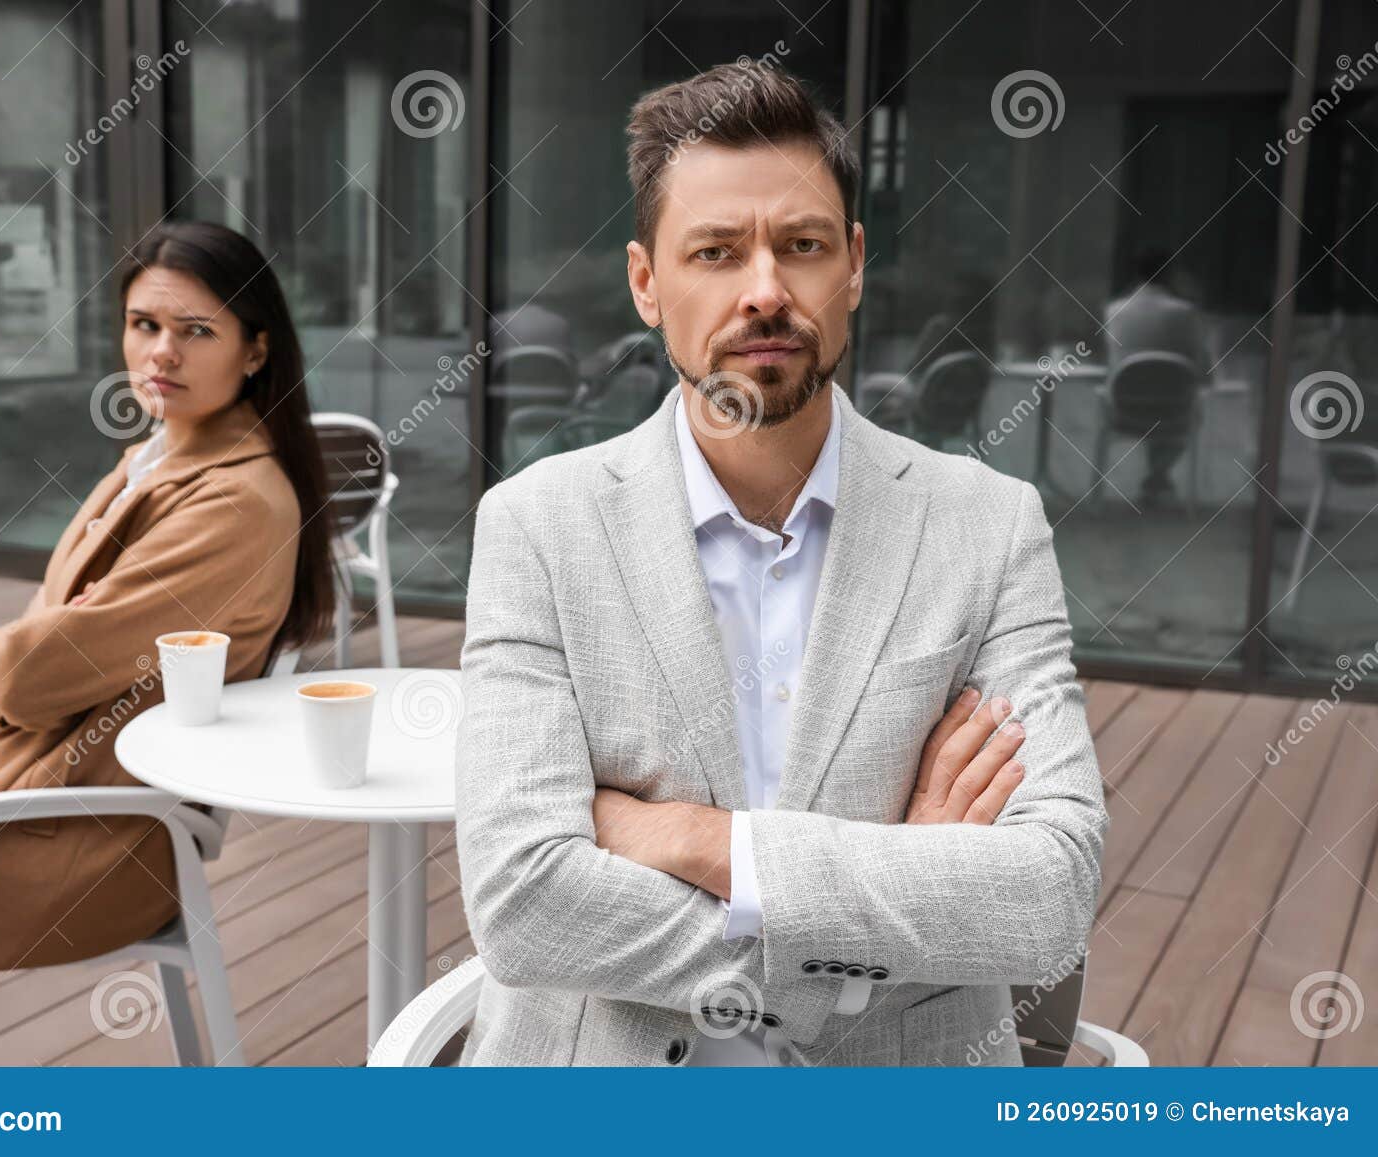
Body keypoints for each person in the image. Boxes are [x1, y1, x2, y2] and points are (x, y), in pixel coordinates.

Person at [454, 63, 1107, 1066]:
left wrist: (694, 839)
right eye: (714, 252)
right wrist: (886, 908)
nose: (764, 290)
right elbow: (524, 901)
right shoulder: (537, 526)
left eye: (798, 246)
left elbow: (1047, 896)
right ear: (644, 282)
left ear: (849, 264)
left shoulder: (989, 525)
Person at [0, 221, 336, 1065]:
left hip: (83, 832)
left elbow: (36, 669)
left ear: (255, 351)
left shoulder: (235, 503)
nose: (163, 354)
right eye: (146, 324)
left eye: (197, 332)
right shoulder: (156, 459)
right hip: (21, 782)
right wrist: (25, 654)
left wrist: (6, 656)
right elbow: (51, 646)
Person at [1102, 248, 1212, 505]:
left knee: (1160, 393)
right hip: (1174, 410)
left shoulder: (1114, 310)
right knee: (1187, 404)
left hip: (1124, 408)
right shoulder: (1184, 312)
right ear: (1171, 277)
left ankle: (1156, 477)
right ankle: (1157, 474)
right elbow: (1203, 369)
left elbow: (1111, 358)